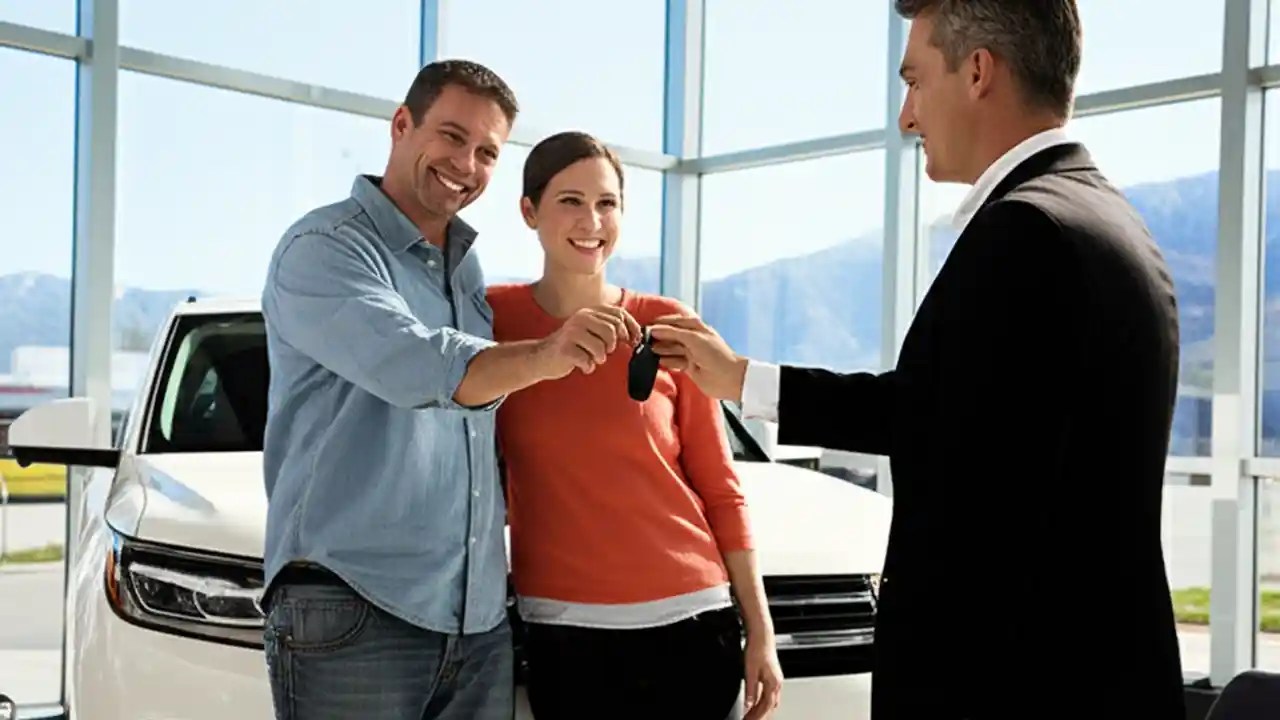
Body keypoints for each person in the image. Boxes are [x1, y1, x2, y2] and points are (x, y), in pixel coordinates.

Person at [647, 2, 1186, 718]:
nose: (907, 116)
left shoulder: (1026, 232)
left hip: (1010, 683)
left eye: (914, 81)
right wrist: (742, 379)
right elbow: (960, 418)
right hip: (1095, 671)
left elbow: (925, 418)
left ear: (977, 71)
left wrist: (742, 381)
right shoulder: (1111, 224)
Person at [258, 61, 639, 720]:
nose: (466, 163)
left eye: (487, 151)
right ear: (402, 125)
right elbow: (416, 365)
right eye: (452, 136)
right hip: (352, 608)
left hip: (477, 620)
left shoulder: (464, 273)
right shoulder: (325, 249)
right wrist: (547, 353)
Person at [485, 131, 784, 720]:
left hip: (693, 623)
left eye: (607, 202)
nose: (591, 220)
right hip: (563, 632)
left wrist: (763, 634)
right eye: (570, 200)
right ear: (529, 211)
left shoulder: (668, 324)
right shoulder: (491, 318)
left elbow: (719, 486)